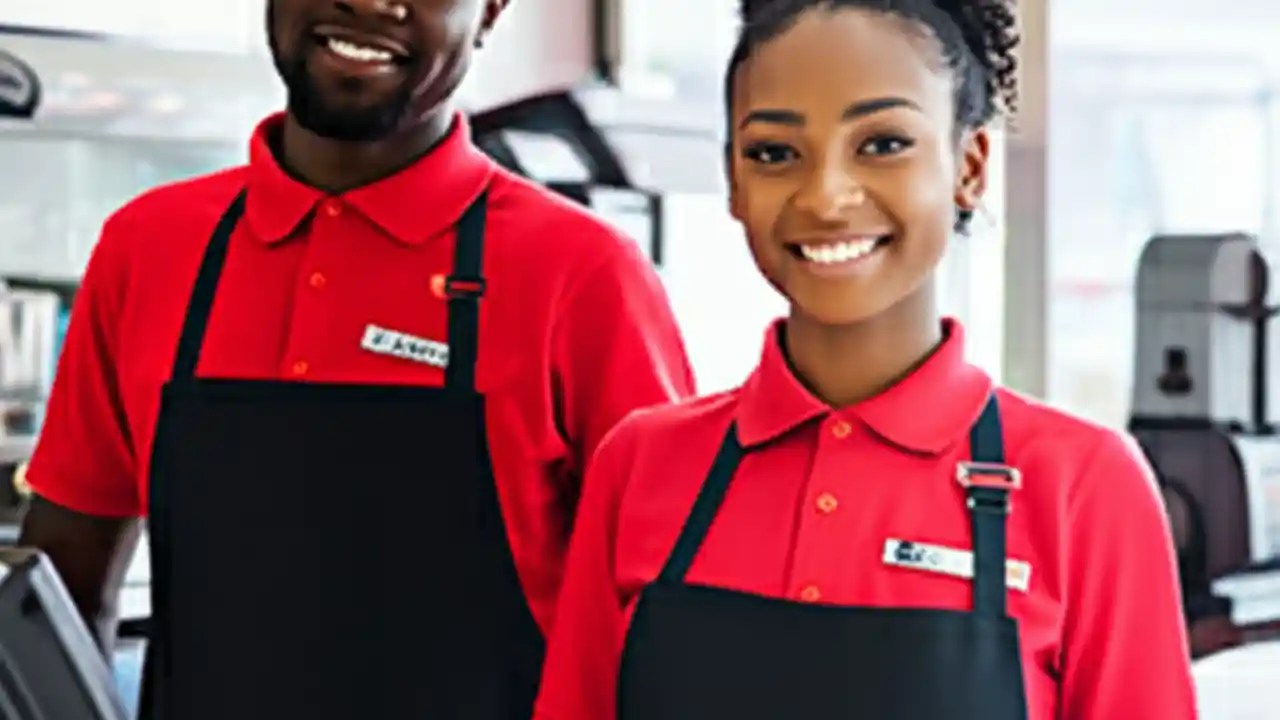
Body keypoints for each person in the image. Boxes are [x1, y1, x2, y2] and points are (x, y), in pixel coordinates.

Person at [18, 0, 693, 718]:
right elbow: (58, 594)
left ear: (492, 11)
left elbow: (674, 629)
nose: (372, 3)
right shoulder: (149, 249)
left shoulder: (583, 275)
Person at [533, 0, 1198, 718]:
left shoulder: (1082, 486)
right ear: (733, 181)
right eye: (774, 153)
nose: (825, 197)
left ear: (970, 166)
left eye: (882, 144)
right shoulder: (639, 465)